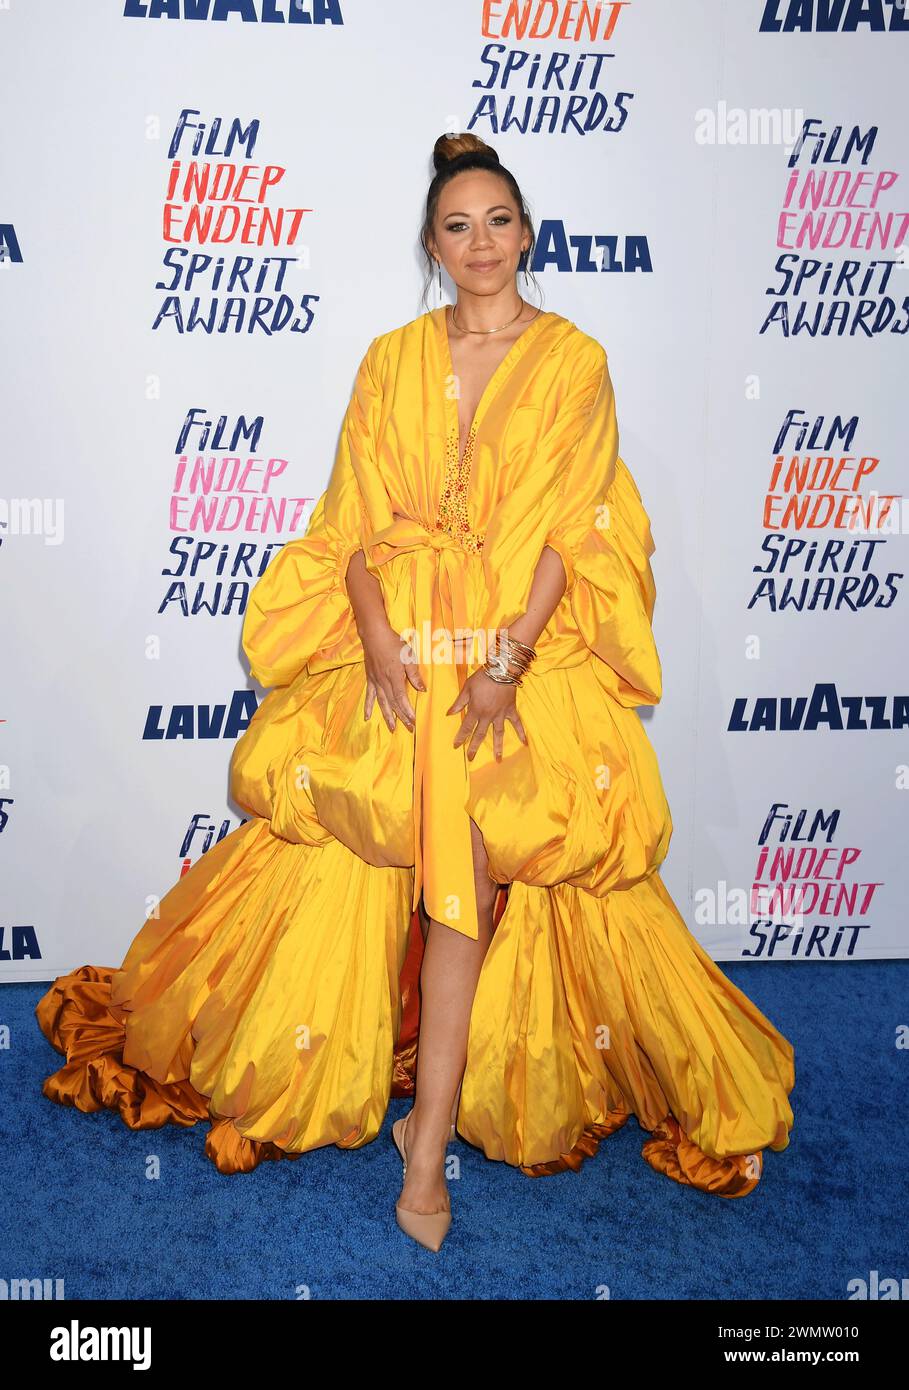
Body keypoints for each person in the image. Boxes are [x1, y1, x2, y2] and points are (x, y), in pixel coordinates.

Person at [35, 132, 795, 1254]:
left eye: (498, 221)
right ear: (431, 246)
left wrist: (505, 667)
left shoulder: (576, 360)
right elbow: (349, 524)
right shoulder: (390, 357)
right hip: (395, 654)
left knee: (477, 864)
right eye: (457, 225)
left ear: (527, 234)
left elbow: (574, 531)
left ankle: (427, 1143)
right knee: (400, 855)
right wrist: (382, 638)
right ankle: (404, 1111)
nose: (480, 242)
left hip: (511, 663)